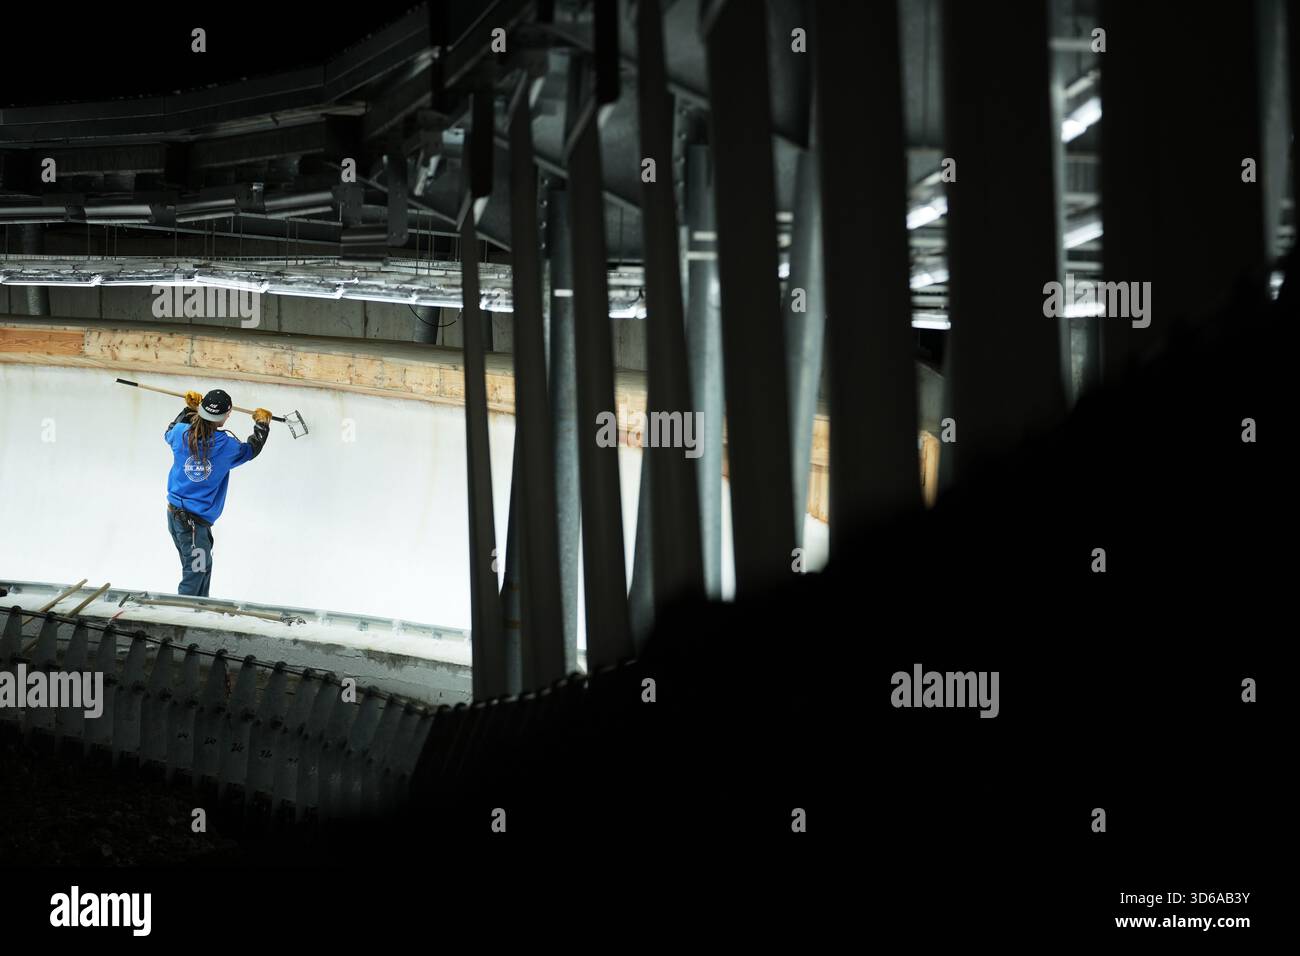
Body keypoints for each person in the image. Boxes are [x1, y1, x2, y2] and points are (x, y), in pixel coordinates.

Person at [164, 388, 272, 596]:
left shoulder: (180, 434)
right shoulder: (226, 446)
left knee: (202, 568)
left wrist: (188, 410)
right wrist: (262, 425)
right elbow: (251, 449)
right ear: (224, 417)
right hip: (193, 524)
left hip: (175, 516)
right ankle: (181, 617)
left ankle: (200, 610)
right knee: (196, 572)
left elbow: (170, 430)